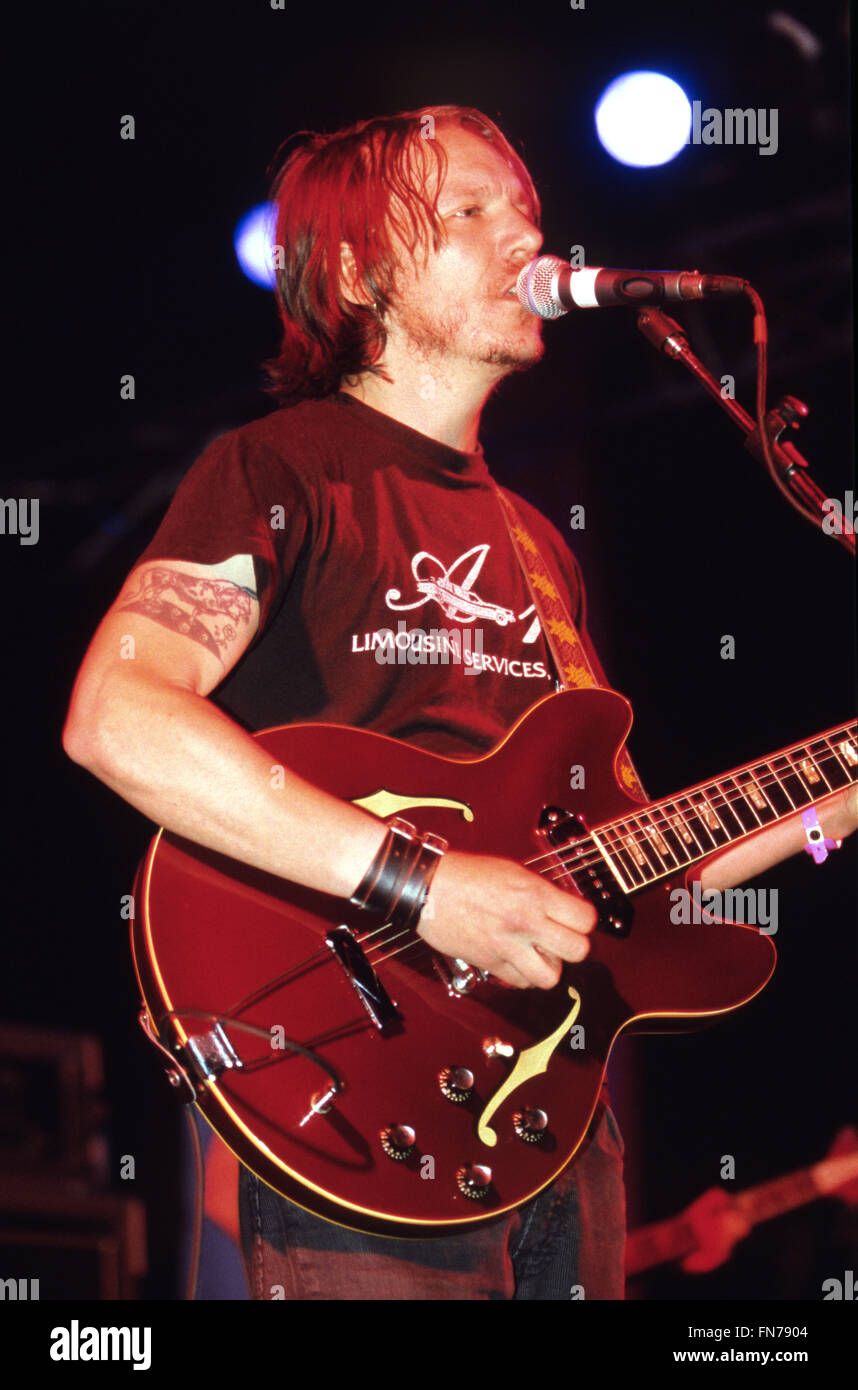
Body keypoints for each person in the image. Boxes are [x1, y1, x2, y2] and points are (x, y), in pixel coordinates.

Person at [63, 104, 857, 1301]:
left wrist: (830, 808)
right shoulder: (280, 468)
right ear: (353, 269)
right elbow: (117, 717)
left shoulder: (538, 543)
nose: (522, 237)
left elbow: (642, 871)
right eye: (471, 211)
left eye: (526, 212)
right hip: (363, 1084)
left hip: (554, 1114)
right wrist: (423, 886)